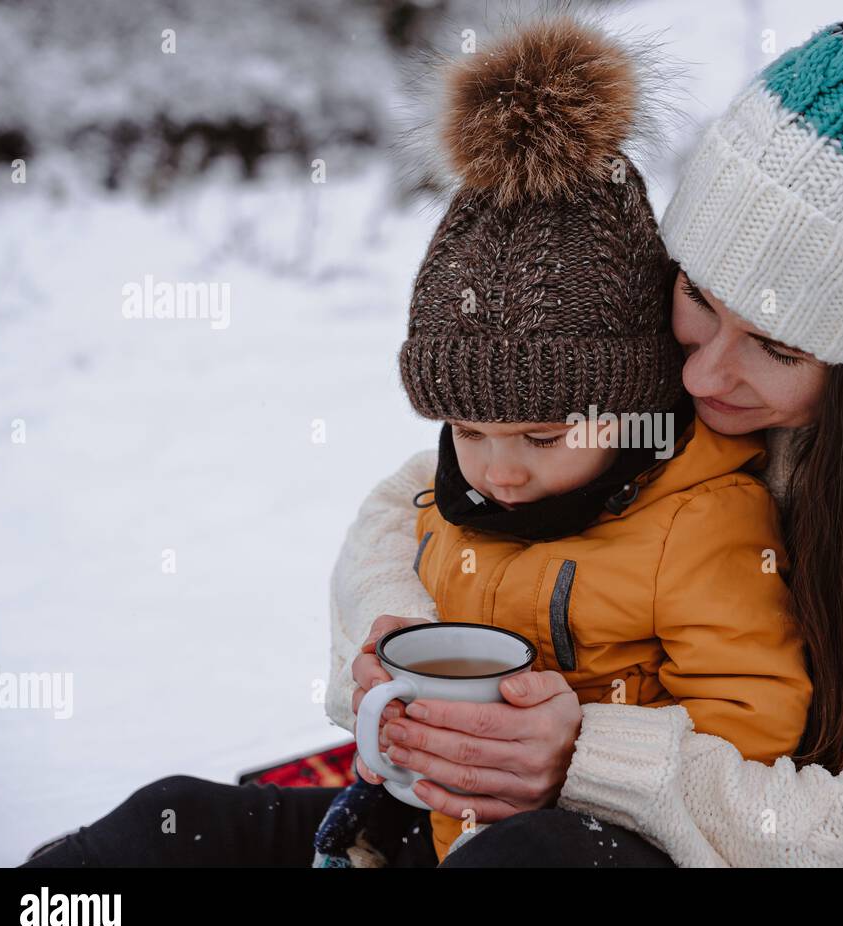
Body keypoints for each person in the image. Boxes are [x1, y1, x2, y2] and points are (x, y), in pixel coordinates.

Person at [330, 0, 843, 867]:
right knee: (179, 821)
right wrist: (413, 653)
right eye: (699, 300)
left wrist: (585, 759)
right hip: (531, 819)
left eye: (778, 346)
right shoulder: (660, 374)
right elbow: (418, 494)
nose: (704, 376)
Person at [312, 15, 811, 867]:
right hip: (437, 822)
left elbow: (754, 721)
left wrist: (579, 752)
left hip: (608, 842)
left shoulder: (701, 521)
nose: (500, 468)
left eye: (544, 433)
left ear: (637, 401)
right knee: (167, 816)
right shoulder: (452, 502)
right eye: (467, 428)